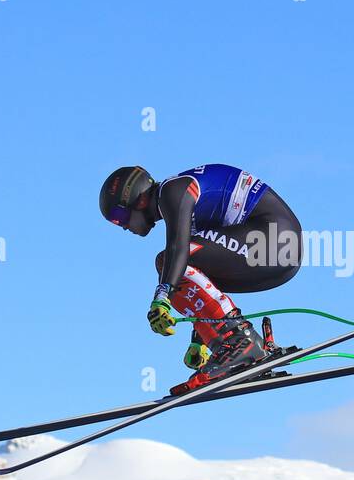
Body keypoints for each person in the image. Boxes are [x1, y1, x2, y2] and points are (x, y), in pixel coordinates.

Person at [99, 163, 303, 393]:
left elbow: (178, 249)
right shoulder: (184, 206)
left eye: (118, 216)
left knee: (169, 263)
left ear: (139, 199)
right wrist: (201, 339)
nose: (123, 226)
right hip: (276, 248)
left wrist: (161, 297)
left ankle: (241, 342)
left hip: (275, 241)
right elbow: (202, 282)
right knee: (180, 269)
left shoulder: (173, 191)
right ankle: (229, 347)